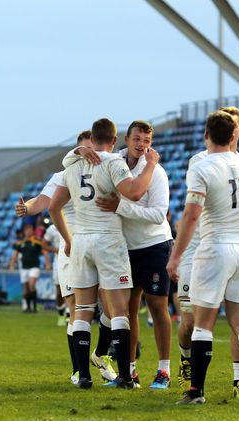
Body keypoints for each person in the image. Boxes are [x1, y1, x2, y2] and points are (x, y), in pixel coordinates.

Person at [166, 110, 239, 406]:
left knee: (203, 324)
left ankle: (195, 391)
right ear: (233, 136)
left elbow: (191, 215)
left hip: (214, 248)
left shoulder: (201, 166)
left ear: (206, 135)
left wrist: (176, 256)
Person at [49, 117, 158, 389]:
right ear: (113, 140)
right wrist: (151, 165)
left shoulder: (73, 166)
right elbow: (133, 192)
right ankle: (124, 377)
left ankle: (83, 375)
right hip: (108, 240)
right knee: (119, 311)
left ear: (91, 140)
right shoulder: (113, 162)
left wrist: (69, 238)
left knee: (83, 310)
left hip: (82, 240)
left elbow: (54, 207)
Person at [76, 120, 173, 390]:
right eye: (137, 139)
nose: (142, 145)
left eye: (147, 141)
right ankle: (129, 372)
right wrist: (80, 151)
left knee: (157, 307)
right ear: (125, 140)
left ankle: (163, 370)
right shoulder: (111, 161)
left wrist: (121, 207)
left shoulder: (158, 173)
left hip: (154, 245)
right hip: (123, 248)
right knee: (127, 311)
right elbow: (69, 162)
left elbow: (158, 215)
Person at [15, 131, 105, 385]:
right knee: (77, 308)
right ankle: (79, 370)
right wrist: (28, 208)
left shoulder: (106, 171)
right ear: (76, 151)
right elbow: (42, 201)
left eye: (93, 148)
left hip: (101, 245)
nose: (90, 153)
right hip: (71, 248)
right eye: (84, 149)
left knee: (112, 307)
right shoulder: (62, 176)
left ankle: (102, 355)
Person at [9, 224, 51, 313]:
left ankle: (34, 307)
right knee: (26, 288)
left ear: (33, 231)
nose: (28, 232)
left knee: (32, 285)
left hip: (34, 267)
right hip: (24, 268)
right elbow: (15, 255)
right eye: (26, 230)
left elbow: (45, 253)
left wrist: (47, 264)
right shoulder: (20, 243)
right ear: (24, 232)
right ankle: (28, 307)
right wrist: (12, 265)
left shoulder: (37, 242)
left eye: (30, 230)